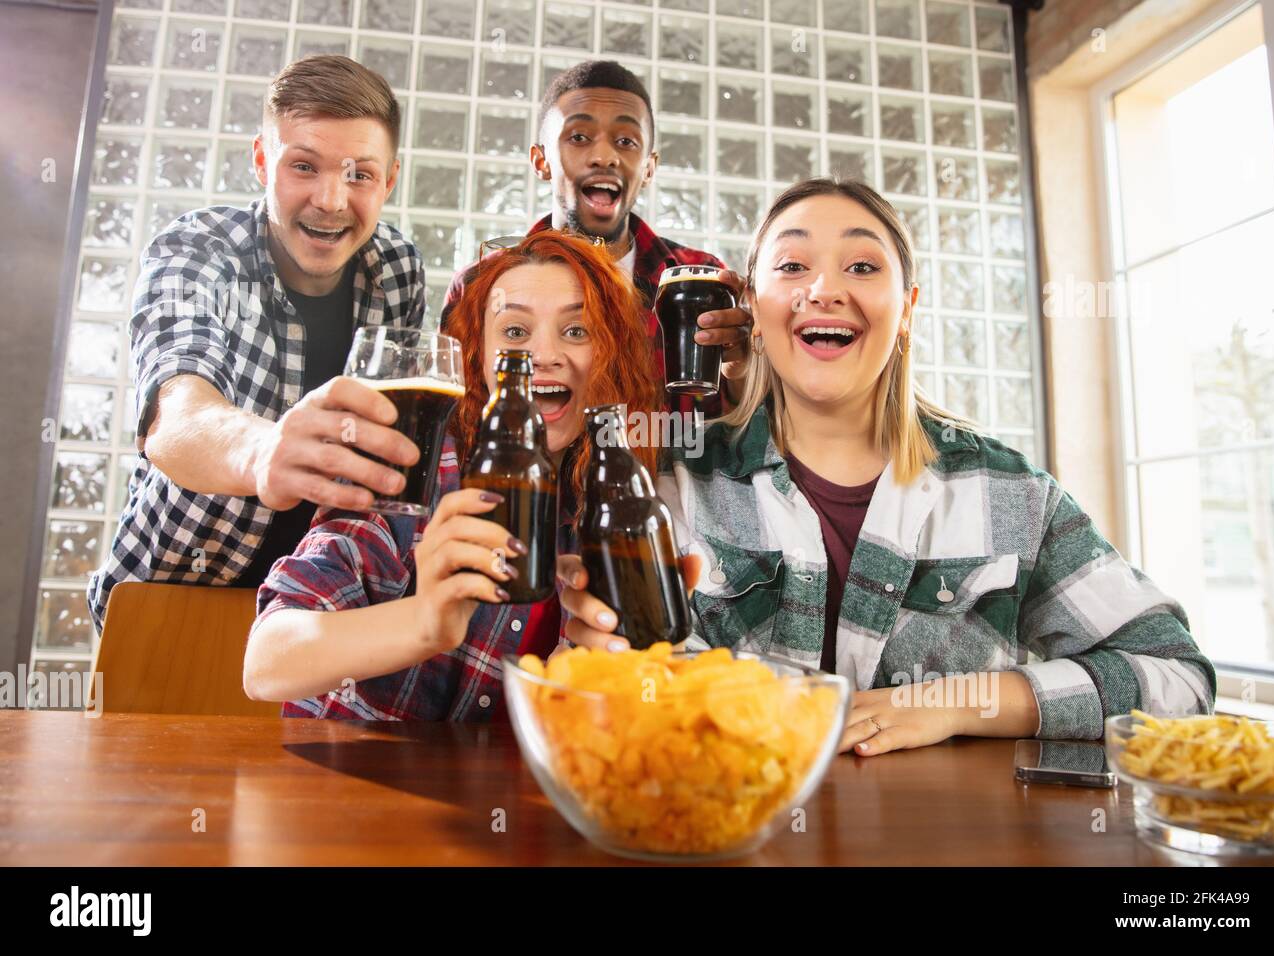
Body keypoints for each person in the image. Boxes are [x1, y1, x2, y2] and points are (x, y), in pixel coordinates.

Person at [559, 179, 1217, 756]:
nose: (824, 288)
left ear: (907, 309)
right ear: (752, 312)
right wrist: (604, 659)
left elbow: (1178, 678)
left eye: (862, 267)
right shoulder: (672, 482)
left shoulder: (1012, 494)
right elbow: (625, 698)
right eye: (792, 265)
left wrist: (954, 704)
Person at [242, 232, 661, 718]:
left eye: (575, 331)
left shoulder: (610, 505)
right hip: (345, 785)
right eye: (515, 332)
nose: (544, 355)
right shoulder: (414, 469)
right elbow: (268, 660)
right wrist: (424, 622)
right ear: (478, 360)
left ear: (610, 353)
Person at [88, 55, 428, 630]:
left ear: (389, 179)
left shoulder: (397, 271)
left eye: (359, 174)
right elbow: (174, 418)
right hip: (170, 603)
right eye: (304, 166)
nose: (330, 199)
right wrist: (262, 453)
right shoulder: (197, 250)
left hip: (323, 616)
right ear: (262, 159)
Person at [441, 60, 752, 405]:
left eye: (625, 141)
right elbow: (457, 424)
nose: (605, 156)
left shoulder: (699, 275)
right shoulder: (478, 285)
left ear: (649, 168)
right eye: (578, 137)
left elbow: (733, 426)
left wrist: (743, 373)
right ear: (541, 161)